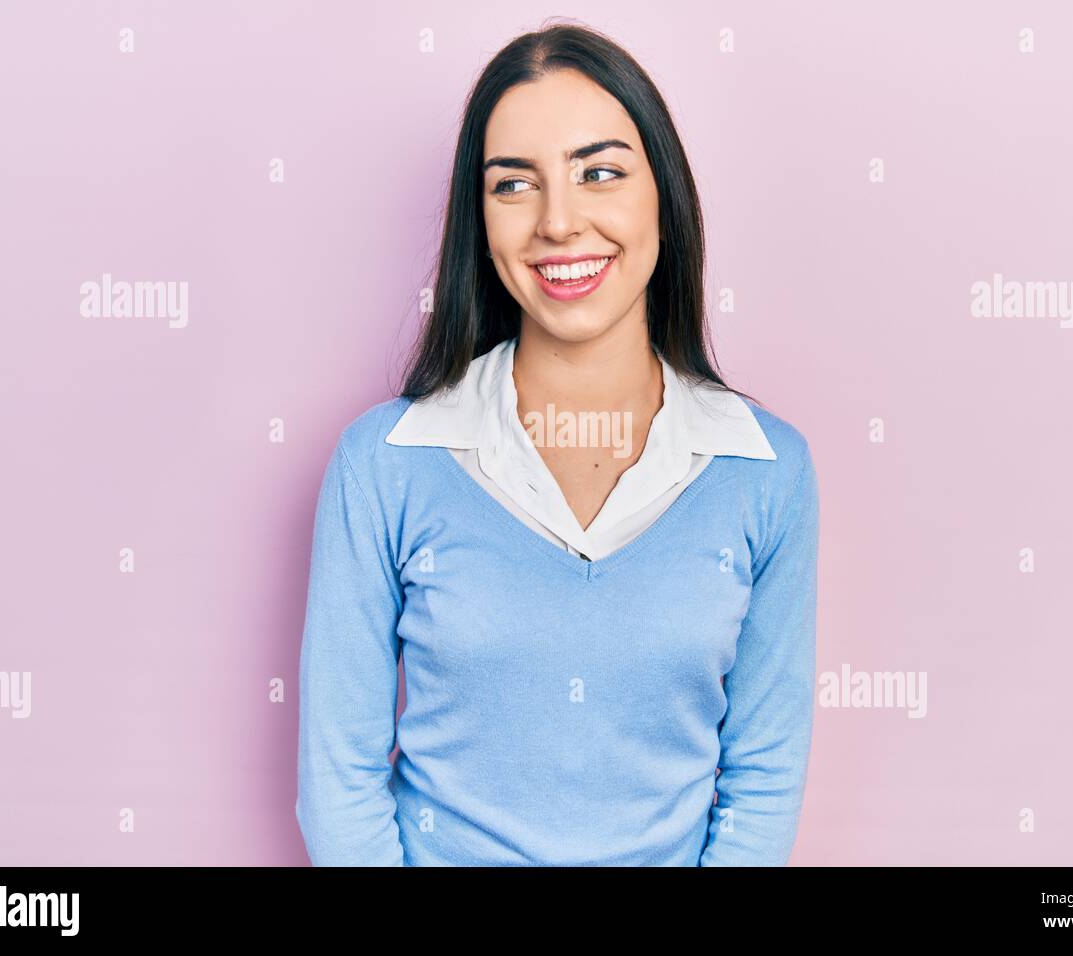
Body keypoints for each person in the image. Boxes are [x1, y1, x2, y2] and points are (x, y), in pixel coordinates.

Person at [295, 21, 820, 866]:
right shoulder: (384, 464)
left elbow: (762, 779)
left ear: (664, 196)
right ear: (482, 217)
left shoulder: (767, 472)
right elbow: (338, 780)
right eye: (514, 185)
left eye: (600, 172)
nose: (559, 222)